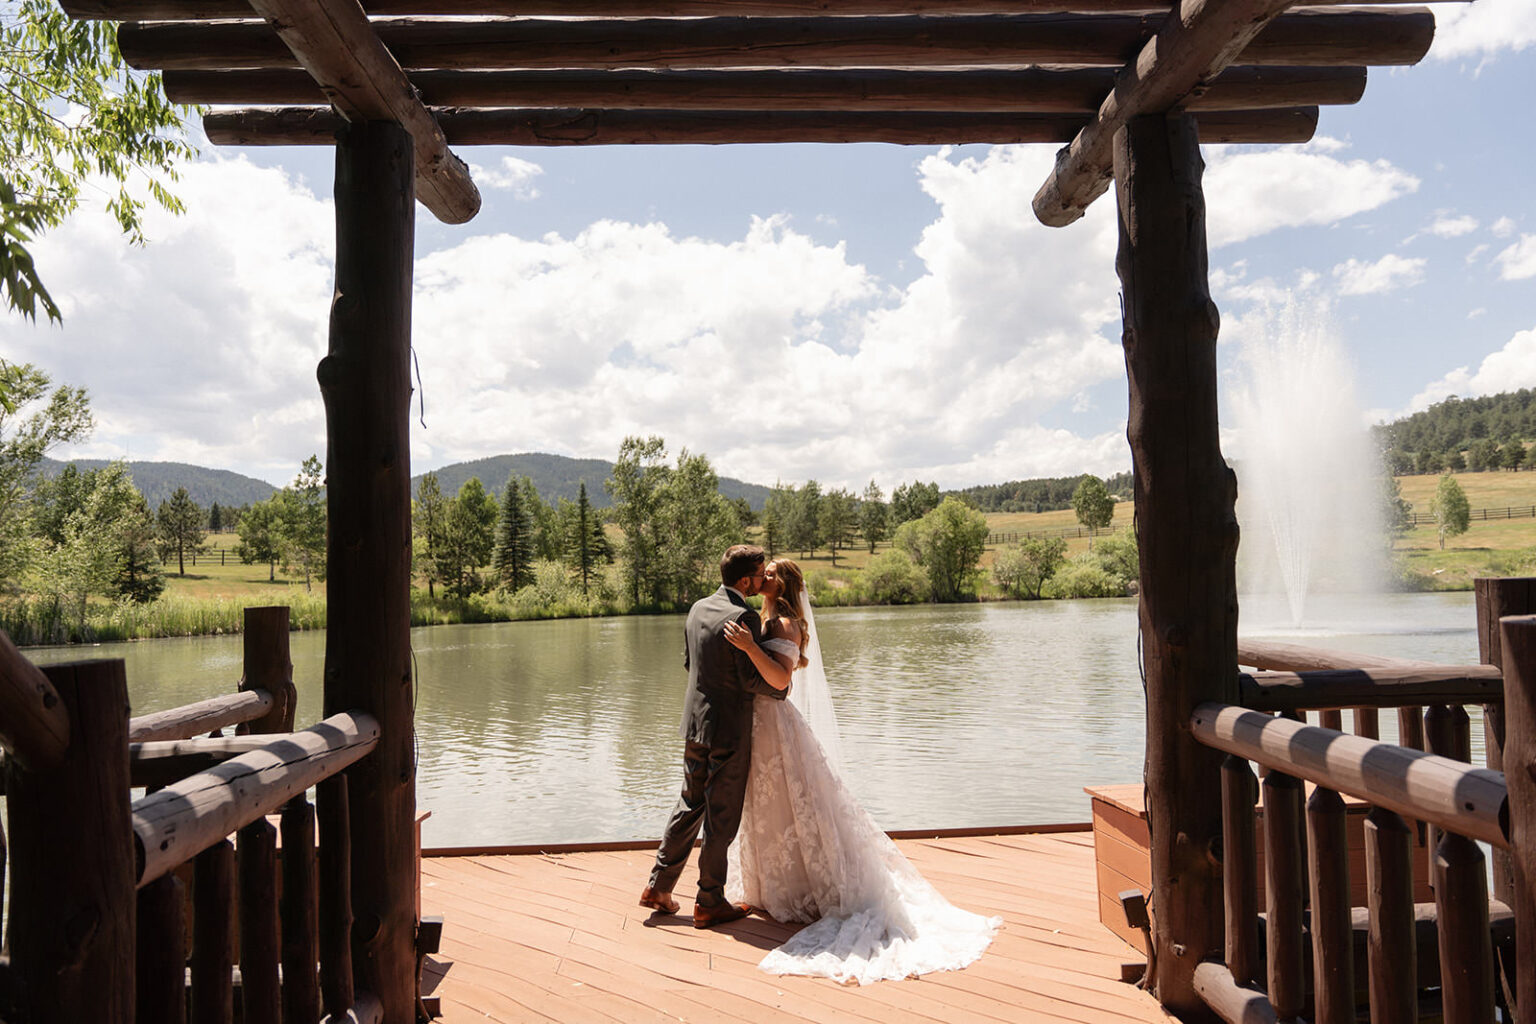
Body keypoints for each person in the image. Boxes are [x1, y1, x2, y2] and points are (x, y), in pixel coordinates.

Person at [721, 558, 1002, 984]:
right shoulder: (765, 617)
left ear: (786, 584)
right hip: (759, 727)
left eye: (772, 573)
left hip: (775, 724)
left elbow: (780, 683)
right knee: (770, 808)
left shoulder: (782, 624)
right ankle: (772, 885)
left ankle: (803, 887)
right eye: (764, 572)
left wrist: (748, 649)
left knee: (792, 804)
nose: (764, 577)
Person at [640, 544, 791, 928]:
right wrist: (782, 689)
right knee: (721, 815)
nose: (762, 580)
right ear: (745, 580)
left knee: (690, 802)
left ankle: (658, 887)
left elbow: (689, 662)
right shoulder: (743, 615)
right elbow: (750, 677)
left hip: (695, 723)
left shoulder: (697, 608)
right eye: (759, 575)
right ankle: (709, 901)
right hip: (728, 727)